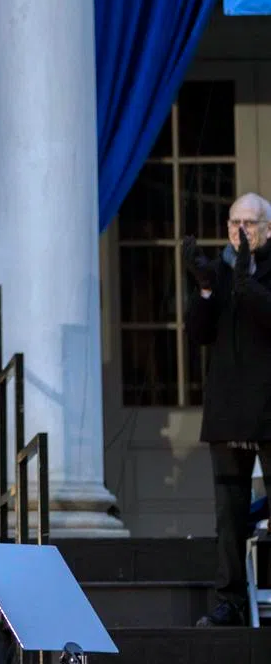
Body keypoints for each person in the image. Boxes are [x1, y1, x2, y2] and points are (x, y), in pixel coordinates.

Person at [183, 191, 271, 627]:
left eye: (251, 223)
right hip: (228, 411)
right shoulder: (217, 272)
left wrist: (246, 284)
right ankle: (231, 601)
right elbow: (198, 335)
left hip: (270, 410)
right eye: (236, 221)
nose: (242, 230)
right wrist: (201, 289)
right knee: (230, 516)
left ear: (268, 229)